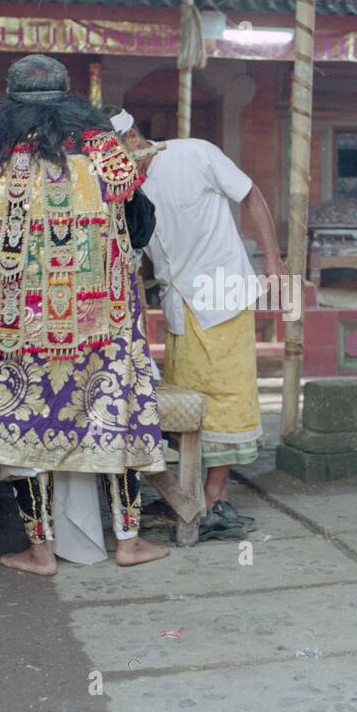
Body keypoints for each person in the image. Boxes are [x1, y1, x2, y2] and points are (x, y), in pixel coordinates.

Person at [0, 54, 169, 575]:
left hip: (12, 320)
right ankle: (129, 542)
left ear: (8, 97)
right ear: (68, 95)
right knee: (113, 414)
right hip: (101, 317)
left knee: (25, 422)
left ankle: (41, 552)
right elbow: (138, 222)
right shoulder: (101, 148)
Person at [106, 106, 286, 542]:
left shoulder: (195, 154)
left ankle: (215, 497)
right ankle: (186, 497)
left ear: (131, 137)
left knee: (224, 398)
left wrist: (275, 263)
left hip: (222, 293)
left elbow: (250, 195)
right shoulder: (122, 188)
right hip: (178, 304)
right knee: (186, 401)